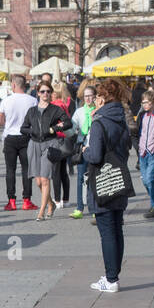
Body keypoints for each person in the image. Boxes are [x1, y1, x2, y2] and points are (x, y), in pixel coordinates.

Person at [84, 79, 133, 293]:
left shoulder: (99, 122)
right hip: (119, 177)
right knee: (116, 228)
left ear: (102, 98)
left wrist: (84, 151)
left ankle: (111, 279)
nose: (94, 100)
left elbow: (95, 156)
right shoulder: (122, 119)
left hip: (103, 180)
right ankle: (114, 274)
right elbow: (127, 146)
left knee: (107, 231)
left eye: (96, 97)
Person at [24, 79, 70, 219]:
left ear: (51, 93)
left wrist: (54, 129)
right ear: (38, 93)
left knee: (45, 179)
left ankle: (42, 211)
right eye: (43, 91)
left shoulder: (55, 109)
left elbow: (68, 123)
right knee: (38, 181)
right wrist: (32, 131)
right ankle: (51, 204)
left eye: (48, 91)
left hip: (50, 145)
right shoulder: (32, 111)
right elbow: (23, 128)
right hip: (34, 145)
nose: (45, 94)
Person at [0, 74, 37, 210]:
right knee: (27, 169)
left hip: (10, 137)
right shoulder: (32, 100)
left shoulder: (6, 100)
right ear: (24, 85)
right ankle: (26, 200)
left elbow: (0, 121)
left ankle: (11, 201)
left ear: (14, 85)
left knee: (10, 169)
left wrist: (9, 123)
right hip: (26, 137)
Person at [135, 89, 154, 218]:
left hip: (153, 152)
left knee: (150, 179)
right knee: (145, 181)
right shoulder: (142, 116)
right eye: (143, 103)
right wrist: (137, 146)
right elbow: (135, 132)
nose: (144, 105)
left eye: (147, 102)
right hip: (142, 152)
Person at [70, 85, 96, 219]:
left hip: (95, 148)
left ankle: (94, 208)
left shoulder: (98, 111)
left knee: (94, 178)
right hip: (82, 147)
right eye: (86, 96)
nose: (88, 98)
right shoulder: (79, 112)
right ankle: (79, 208)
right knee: (80, 178)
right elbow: (72, 128)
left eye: (90, 95)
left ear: (95, 96)